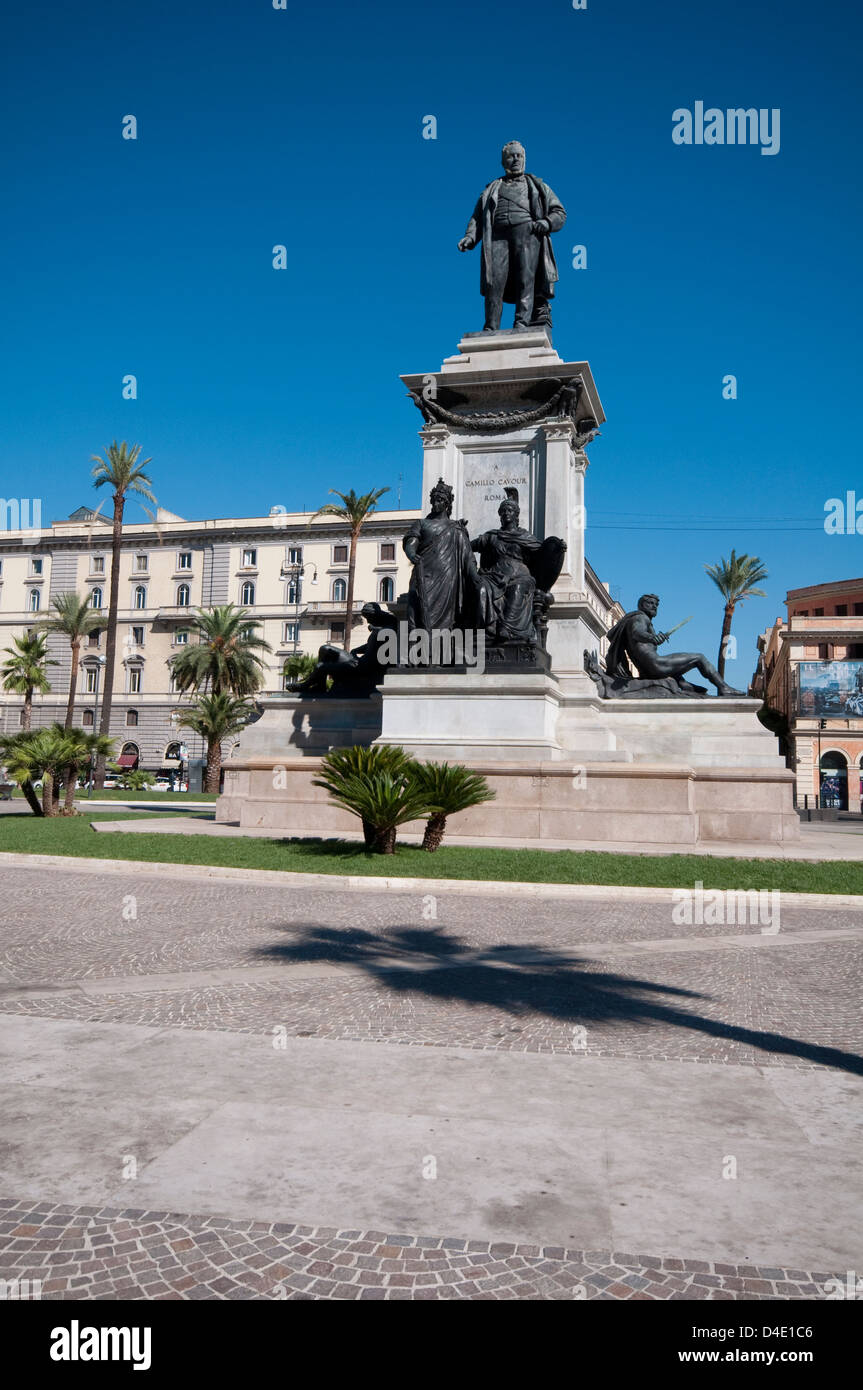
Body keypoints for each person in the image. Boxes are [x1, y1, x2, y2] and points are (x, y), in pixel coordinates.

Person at [458, 141, 566, 334]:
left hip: (527, 232)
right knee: (494, 281)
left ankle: (522, 323)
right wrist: (470, 237)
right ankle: (491, 326)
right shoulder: (492, 188)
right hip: (497, 235)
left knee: (526, 278)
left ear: (524, 159)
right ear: (503, 161)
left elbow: (559, 212)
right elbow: (477, 218)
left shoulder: (537, 185)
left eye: (519, 156)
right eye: (511, 156)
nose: (515, 159)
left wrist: (547, 222)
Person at [471, 489, 565, 644]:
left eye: (510, 510)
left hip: (520, 575)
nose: (506, 513)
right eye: (503, 511)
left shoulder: (525, 537)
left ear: (516, 515)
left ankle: (507, 629)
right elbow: (468, 547)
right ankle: (487, 628)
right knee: (481, 588)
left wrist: (556, 549)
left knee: (519, 588)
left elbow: (543, 556)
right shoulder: (492, 536)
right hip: (494, 575)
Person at [605, 594, 744, 696]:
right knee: (699, 658)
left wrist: (653, 637)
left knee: (683, 682)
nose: (654, 606)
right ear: (642, 605)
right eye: (650, 603)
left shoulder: (641, 619)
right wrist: (652, 637)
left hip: (648, 669)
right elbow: (637, 633)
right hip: (656, 665)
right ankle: (723, 687)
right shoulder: (640, 618)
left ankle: (687, 688)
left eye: (656, 604)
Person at [403, 479, 477, 632]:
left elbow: (467, 556)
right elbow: (412, 541)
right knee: (417, 605)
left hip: (447, 577)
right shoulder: (422, 523)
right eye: (434, 500)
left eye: (440, 500)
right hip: (424, 573)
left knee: (445, 618)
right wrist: (411, 554)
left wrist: (475, 577)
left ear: (447, 503)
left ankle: (439, 646)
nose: (436, 503)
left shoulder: (456, 527)